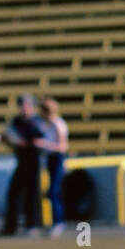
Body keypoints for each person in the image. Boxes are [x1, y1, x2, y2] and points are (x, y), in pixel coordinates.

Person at [0, 94, 46, 237]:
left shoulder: (37, 121)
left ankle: (33, 224)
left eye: (25, 105)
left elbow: (39, 141)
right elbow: (8, 137)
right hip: (21, 161)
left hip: (33, 161)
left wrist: (25, 143)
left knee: (33, 194)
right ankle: (10, 226)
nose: (22, 108)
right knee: (13, 193)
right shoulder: (16, 121)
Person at [38, 97, 70, 237]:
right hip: (50, 159)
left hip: (57, 159)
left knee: (54, 191)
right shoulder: (48, 124)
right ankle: (55, 221)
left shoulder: (58, 125)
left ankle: (59, 222)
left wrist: (45, 144)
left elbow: (63, 147)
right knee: (52, 191)